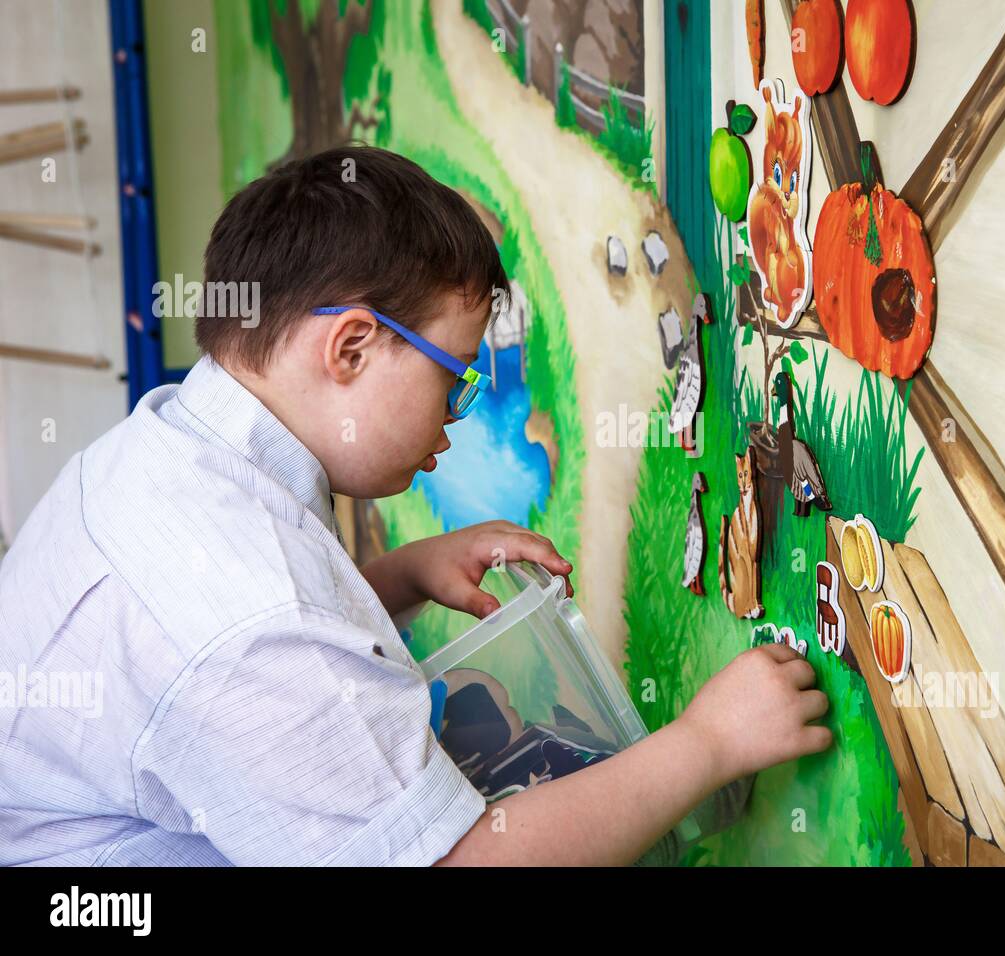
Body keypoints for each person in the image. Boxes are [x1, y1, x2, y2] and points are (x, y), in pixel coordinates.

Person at [0, 146, 831, 866]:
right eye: (454, 373)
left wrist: (395, 575)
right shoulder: (249, 621)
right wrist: (710, 742)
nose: (457, 410)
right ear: (351, 346)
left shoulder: (172, 444)